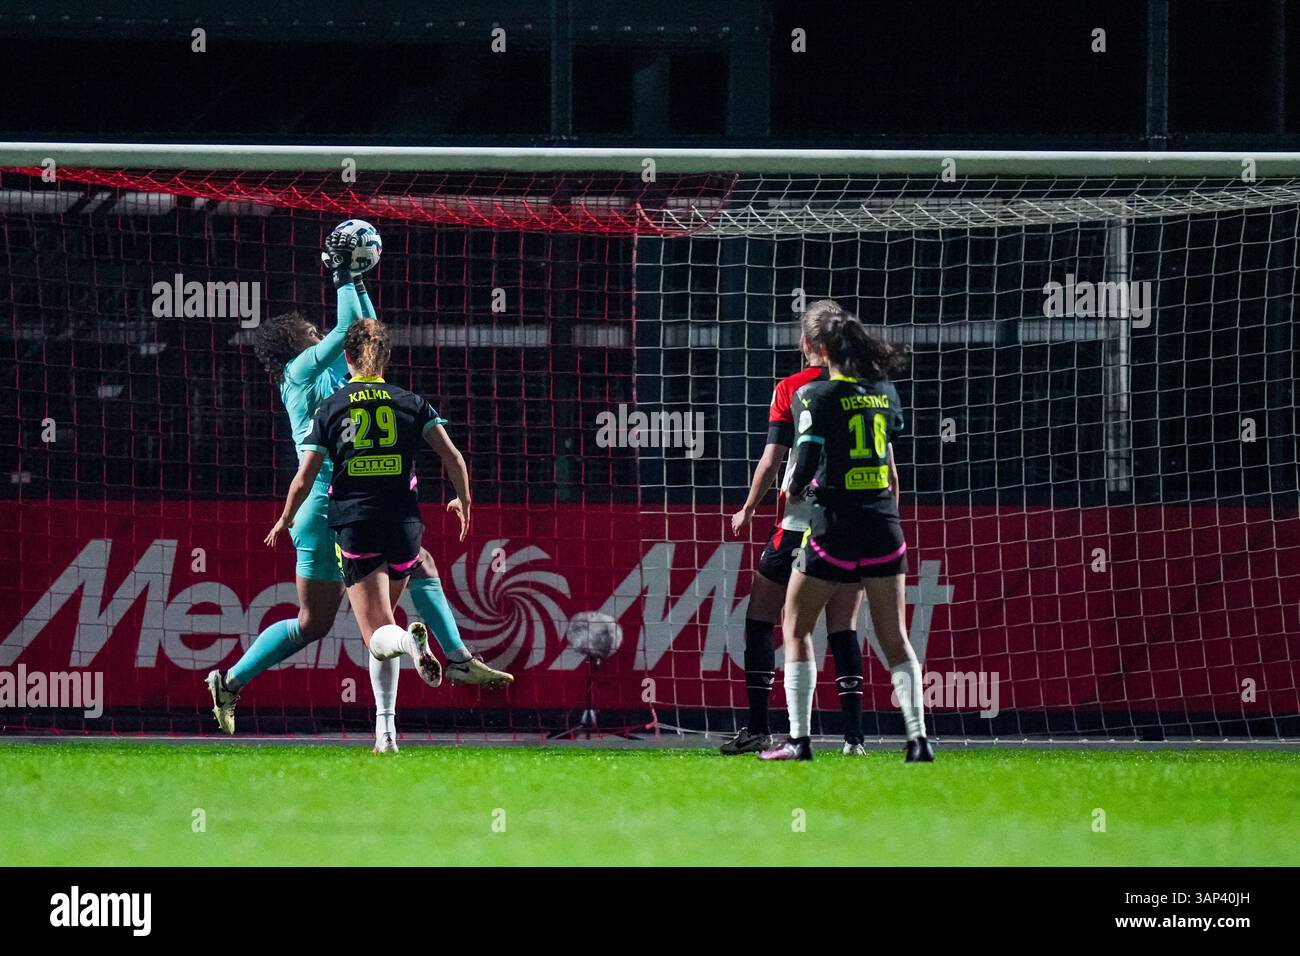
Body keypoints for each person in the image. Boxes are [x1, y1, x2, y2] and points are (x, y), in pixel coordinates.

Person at [264, 318, 512, 739]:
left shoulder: (332, 406)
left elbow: (305, 479)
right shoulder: (412, 402)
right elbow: (453, 458)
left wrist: (285, 518)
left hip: (356, 526)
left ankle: (408, 643)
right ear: (387, 358)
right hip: (404, 525)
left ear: (346, 358)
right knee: (415, 577)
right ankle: (389, 732)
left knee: (377, 632)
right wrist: (464, 501)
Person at [758, 310, 933, 762]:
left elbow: (803, 464)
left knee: (796, 626)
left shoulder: (812, 395)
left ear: (820, 350)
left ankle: (799, 740)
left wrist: (795, 489)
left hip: (834, 527)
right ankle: (918, 741)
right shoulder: (884, 393)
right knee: (894, 635)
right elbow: (890, 466)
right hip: (883, 525)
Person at [725, 299, 870, 755]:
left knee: (762, 620)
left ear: (806, 343)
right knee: (842, 626)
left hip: (799, 522)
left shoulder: (791, 387)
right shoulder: (866, 388)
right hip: (853, 522)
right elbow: (888, 467)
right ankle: (854, 739)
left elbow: (773, 459)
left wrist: (748, 508)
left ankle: (761, 730)